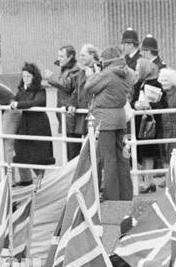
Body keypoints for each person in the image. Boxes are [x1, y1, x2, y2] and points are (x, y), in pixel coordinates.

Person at [82, 45, 135, 202]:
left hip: (105, 121)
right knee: (122, 160)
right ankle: (125, 196)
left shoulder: (107, 74)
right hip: (120, 118)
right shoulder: (127, 73)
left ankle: (111, 198)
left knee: (108, 161)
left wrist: (94, 74)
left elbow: (88, 88)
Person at [12, 62, 54, 183]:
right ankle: (26, 179)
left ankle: (40, 179)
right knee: (21, 149)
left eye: (28, 76)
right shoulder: (22, 89)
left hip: (38, 124)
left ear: (34, 77)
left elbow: (37, 102)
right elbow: (15, 99)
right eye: (24, 76)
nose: (26, 79)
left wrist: (18, 105)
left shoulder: (40, 89)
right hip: (25, 123)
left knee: (39, 153)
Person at [43, 45, 85, 160]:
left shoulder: (76, 70)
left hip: (70, 117)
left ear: (70, 57)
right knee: (68, 149)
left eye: (62, 56)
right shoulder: (67, 70)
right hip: (65, 115)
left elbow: (67, 86)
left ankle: (74, 175)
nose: (59, 58)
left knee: (73, 150)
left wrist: (51, 78)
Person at [156, 67, 176, 164]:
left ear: (172, 81)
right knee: (163, 159)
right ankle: (167, 179)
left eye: (166, 80)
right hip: (162, 130)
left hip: (175, 131)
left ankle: (175, 178)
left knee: (175, 158)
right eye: (161, 80)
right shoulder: (158, 93)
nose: (163, 82)